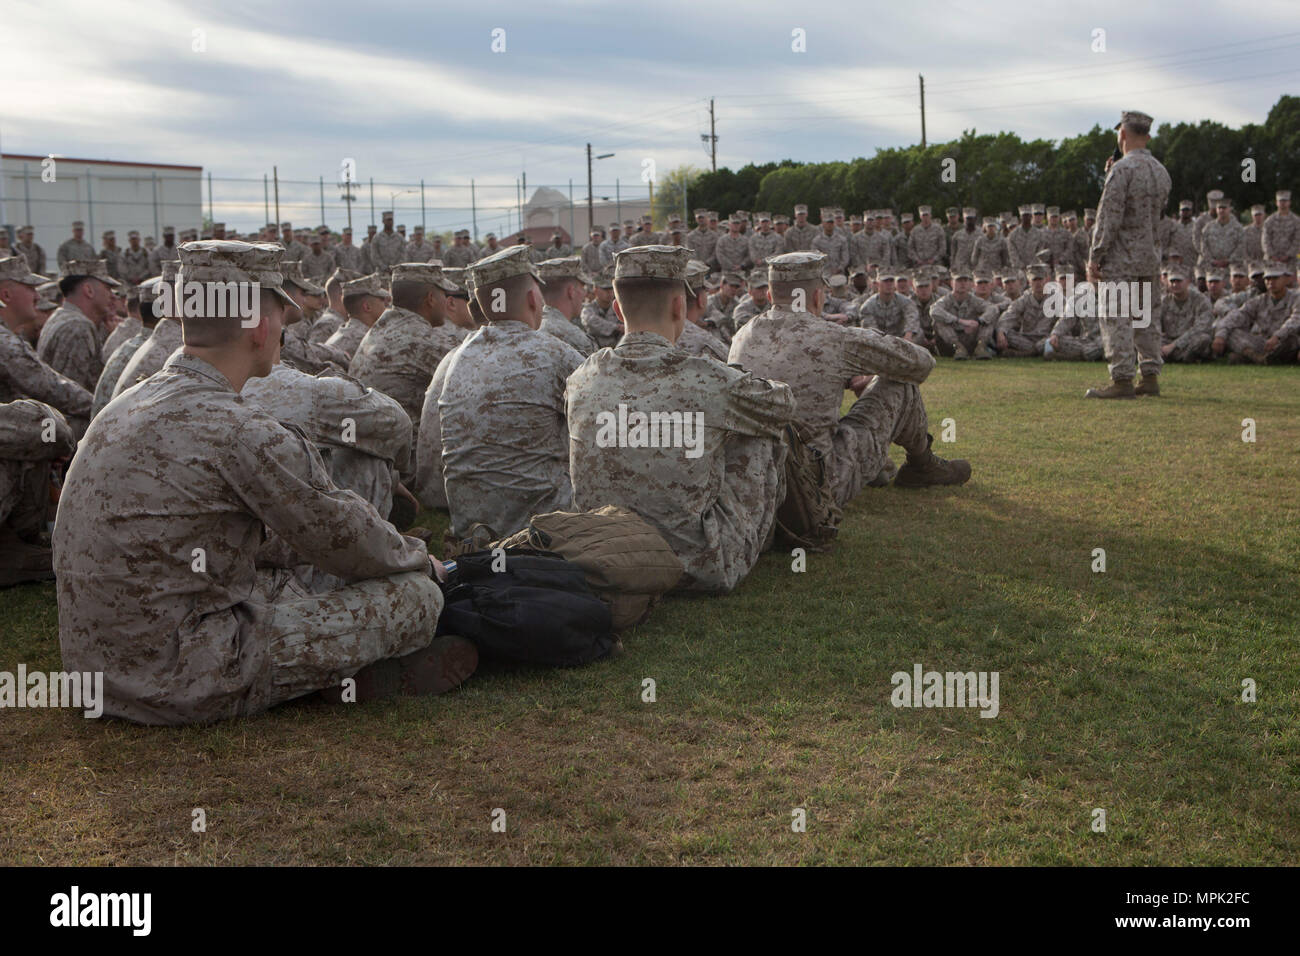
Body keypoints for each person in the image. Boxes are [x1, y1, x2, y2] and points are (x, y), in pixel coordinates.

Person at [53, 240, 473, 725]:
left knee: (285, 580)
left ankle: (345, 675)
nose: (284, 330)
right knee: (415, 599)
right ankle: (348, 677)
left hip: (93, 671)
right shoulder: (238, 428)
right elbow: (346, 541)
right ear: (257, 326)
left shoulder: (126, 405)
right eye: (283, 317)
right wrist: (423, 563)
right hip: (176, 678)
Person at [566, 245, 795, 593]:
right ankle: (769, 539)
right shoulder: (707, 377)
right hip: (695, 569)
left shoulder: (581, 377)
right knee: (759, 428)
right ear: (679, 307)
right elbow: (782, 405)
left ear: (616, 309)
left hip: (602, 561)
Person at [729, 251, 969, 509]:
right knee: (899, 384)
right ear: (819, 296)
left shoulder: (743, 335)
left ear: (768, 296)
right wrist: (866, 371)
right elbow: (921, 363)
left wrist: (840, 375)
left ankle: (882, 467)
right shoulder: (833, 337)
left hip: (753, 486)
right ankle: (922, 465)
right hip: (817, 486)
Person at [432, 245, 583, 544]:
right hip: (541, 535)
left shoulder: (454, 359)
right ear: (531, 298)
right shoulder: (557, 354)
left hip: (472, 535)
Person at [349, 262, 463, 479]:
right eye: (443, 295)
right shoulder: (421, 337)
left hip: (373, 456)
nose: (447, 302)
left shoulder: (383, 327)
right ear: (430, 298)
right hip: (402, 463)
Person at [1085, 110, 1170, 399]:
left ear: (1122, 133)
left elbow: (1110, 218)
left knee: (1117, 317)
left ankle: (1121, 379)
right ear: (1146, 135)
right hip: (1149, 257)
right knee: (1145, 317)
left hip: (1121, 258)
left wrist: (1095, 256)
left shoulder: (1121, 170)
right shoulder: (1161, 172)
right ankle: (1149, 376)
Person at [0, 256, 92, 436]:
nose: (37, 296)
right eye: (30, 288)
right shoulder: (4, 342)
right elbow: (51, 388)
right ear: (6, 295)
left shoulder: (10, 336)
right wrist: (102, 407)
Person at [37, 259, 121, 391]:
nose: (113, 296)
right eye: (108, 288)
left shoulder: (60, 316)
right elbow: (69, 396)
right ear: (89, 290)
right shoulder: (78, 327)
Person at [1211, 264, 1299, 364]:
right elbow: (1238, 315)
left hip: (1283, 341)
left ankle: (1249, 358)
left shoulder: (1296, 298)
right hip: (1263, 343)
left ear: (1286, 279)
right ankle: (1255, 357)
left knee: (1291, 340)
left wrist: (1277, 337)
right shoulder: (1259, 300)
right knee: (1231, 332)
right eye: (1268, 279)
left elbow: (1295, 320)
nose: (1271, 282)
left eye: (1275, 278)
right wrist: (1220, 336)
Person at [931, 267, 997, 359]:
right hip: (950, 341)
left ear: (970, 283)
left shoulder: (974, 300)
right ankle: (958, 348)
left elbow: (992, 309)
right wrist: (960, 321)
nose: (962, 284)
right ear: (952, 283)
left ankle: (980, 348)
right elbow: (934, 310)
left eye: (965, 280)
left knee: (988, 320)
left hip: (970, 337)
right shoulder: (946, 300)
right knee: (938, 322)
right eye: (959, 281)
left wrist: (978, 321)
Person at [537, 258, 597, 357]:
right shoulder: (576, 339)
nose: (585, 294)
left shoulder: (533, 328)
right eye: (583, 288)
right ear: (571, 292)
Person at [325, 272, 390, 361]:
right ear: (367, 307)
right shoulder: (364, 341)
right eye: (382, 300)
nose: (387, 305)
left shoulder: (345, 333)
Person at [1157, 270, 1215, 363]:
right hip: (1168, 340)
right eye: (1172, 281)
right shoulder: (1164, 301)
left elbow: (1200, 328)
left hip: (1189, 341)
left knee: (1203, 339)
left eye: (1178, 281)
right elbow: (1155, 325)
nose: (1175, 285)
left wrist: (1174, 346)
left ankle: (1175, 357)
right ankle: (1177, 357)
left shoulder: (1201, 300)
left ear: (1188, 282)